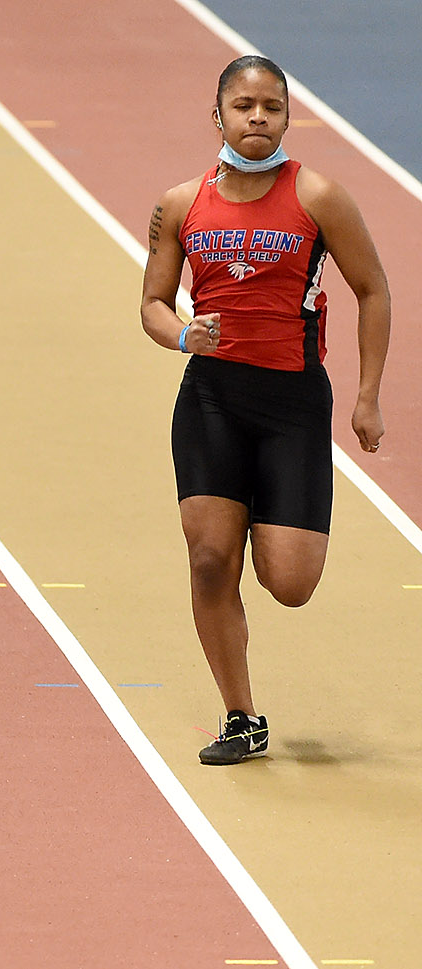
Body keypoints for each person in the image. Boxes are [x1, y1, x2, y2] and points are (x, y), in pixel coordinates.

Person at [140, 55, 388, 765]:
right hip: (212, 402)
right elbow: (153, 302)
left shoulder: (319, 197)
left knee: (290, 583)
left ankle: (259, 510)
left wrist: (367, 396)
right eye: (243, 106)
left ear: (287, 116)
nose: (257, 118)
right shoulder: (181, 203)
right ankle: (241, 715)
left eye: (271, 108)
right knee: (211, 557)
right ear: (217, 116)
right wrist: (184, 333)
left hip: (293, 407)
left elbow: (375, 290)